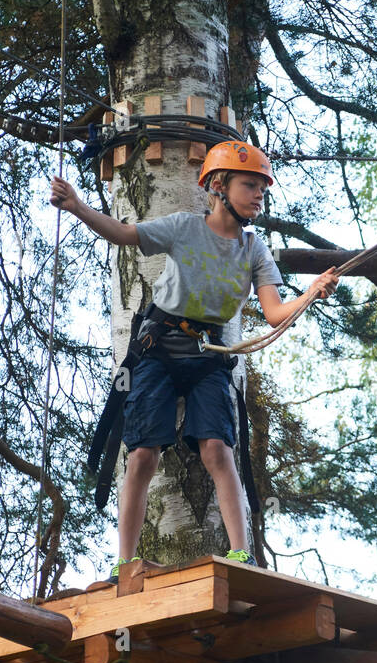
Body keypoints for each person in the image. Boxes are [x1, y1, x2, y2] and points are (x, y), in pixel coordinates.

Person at [49, 140, 338, 581]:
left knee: (218, 451)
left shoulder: (254, 249)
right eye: (250, 185)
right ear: (219, 186)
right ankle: (126, 563)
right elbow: (125, 235)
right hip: (158, 349)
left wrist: (310, 292)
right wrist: (78, 207)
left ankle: (242, 555)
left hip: (208, 357)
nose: (259, 195)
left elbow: (276, 313)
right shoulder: (185, 227)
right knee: (143, 453)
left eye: (263, 188)